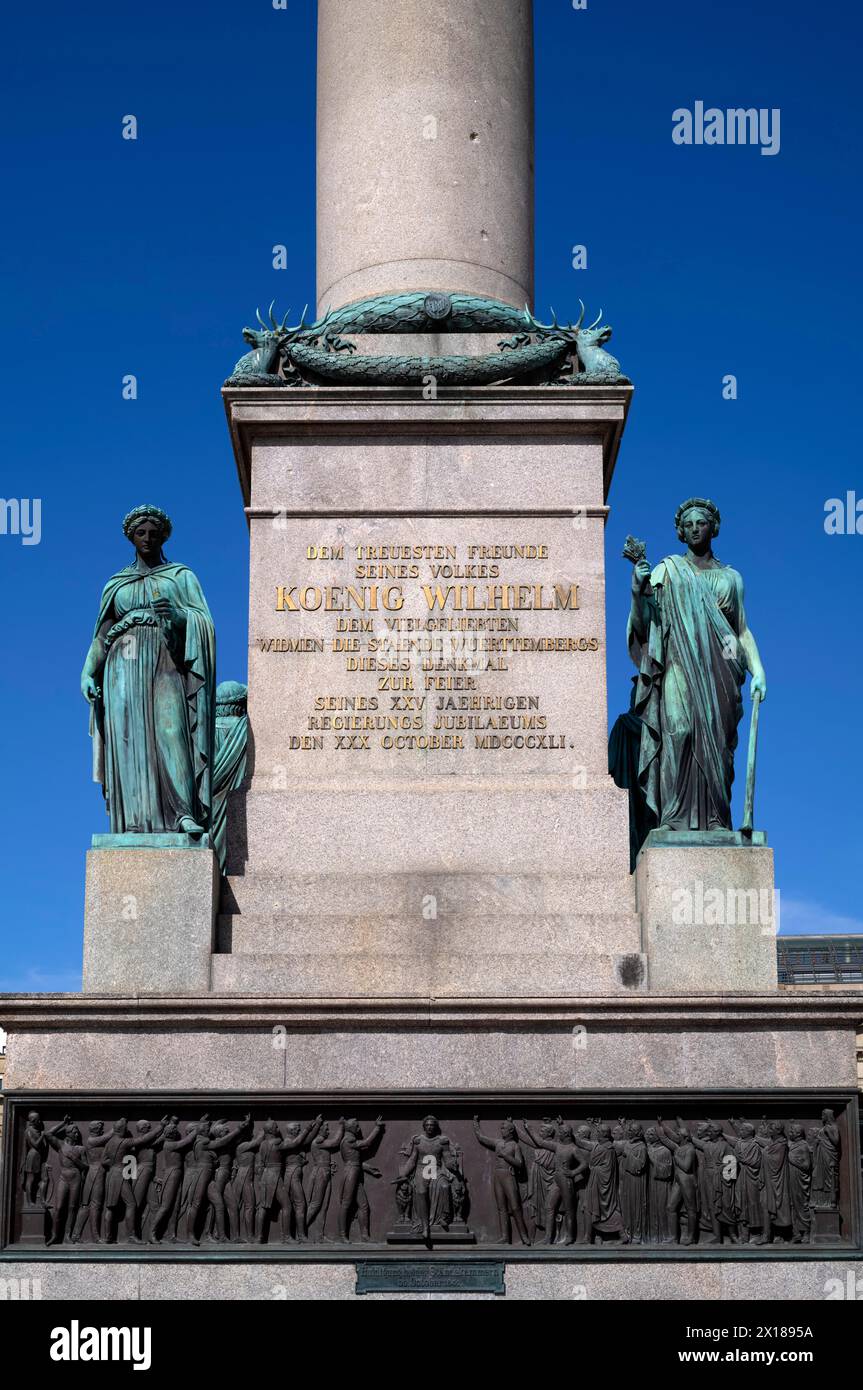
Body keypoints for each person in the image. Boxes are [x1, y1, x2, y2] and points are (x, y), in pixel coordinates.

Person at [627, 498, 767, 831]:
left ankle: (717, 820)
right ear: (680, 531)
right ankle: (672, 818)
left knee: (717, 745)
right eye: (688, 524)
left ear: (712, 528)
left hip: (720, 668)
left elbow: (741, 631)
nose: (694, 529)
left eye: (700, 523)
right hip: (678, 662)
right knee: (678, 730)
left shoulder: (731, 578)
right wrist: (638, 589)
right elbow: (646, 625)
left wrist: (757, 669)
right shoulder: (668, 570)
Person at [81, 506, 216, 836]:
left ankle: (184, 812)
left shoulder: (180, 577)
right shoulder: (117, 584)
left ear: (163, 537)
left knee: (171, 731)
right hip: (121, 663)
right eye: (141, 532)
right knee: (128, 735)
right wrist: (87, 672)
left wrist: (180, 616)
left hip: (165, 656)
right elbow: (100, 635)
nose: (147, 538)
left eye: (153, 533)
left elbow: (205, 623)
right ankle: (135, 821)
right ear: (131, 537)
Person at [473, 1117, 531, 1246]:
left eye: (503, 1128)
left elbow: (520, 1164)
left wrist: (506, 1156)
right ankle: (505, 1237)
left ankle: (524, 1236)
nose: (501, 1130)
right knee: (501, 1207)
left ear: (510, 1131)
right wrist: (475, 1123)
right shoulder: (498, 1143)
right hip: (497, 1176)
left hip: (508, 1175)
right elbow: (481, 1138)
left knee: (515, 1207)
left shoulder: (514, 1146)